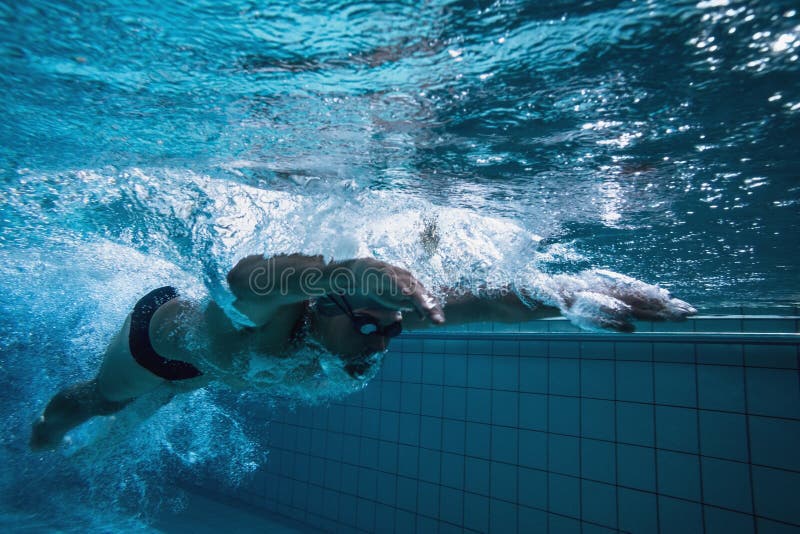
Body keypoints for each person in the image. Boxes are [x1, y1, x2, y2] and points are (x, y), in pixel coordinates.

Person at [30, 254, 696, 450]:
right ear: (325, 305)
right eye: (374, 324)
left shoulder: (375, 320)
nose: (385, 340)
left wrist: (568, 296)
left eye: (394, 325)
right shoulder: (265, 316)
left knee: (170, 400)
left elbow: (494, 302)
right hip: (158, 347)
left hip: (211, 370)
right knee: (100, 401)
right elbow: (241, 282)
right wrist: (330, 272)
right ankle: (44, 431)